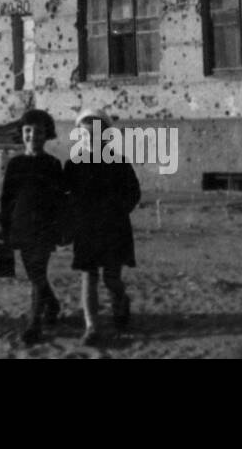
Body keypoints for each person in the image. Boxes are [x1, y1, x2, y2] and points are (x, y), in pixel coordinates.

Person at [64, 108, 140, 346]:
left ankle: (121, 299)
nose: (90, 139)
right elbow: (66, 195)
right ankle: (92, 326)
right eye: (84, 135)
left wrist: (116, 211)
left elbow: (133, 193)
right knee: (88, 277)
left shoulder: (118, 163)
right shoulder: (74, 165)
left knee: (111, 278)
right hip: (86, 229)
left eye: (95, 135)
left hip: (113, 229)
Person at [0, 108, 66, 345]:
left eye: (39, 132)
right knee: (34, 273)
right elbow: (7, 199)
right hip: (22, 227)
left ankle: (34, 323)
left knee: (37, 273)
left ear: (47, 134)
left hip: (45, 228)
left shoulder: (53, 165)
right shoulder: (15, 164)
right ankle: (53, 304)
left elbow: (60, 201)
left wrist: (61, 229)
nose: (33, 136)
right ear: (21, 133)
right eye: (28, 131)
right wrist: (4, 228)